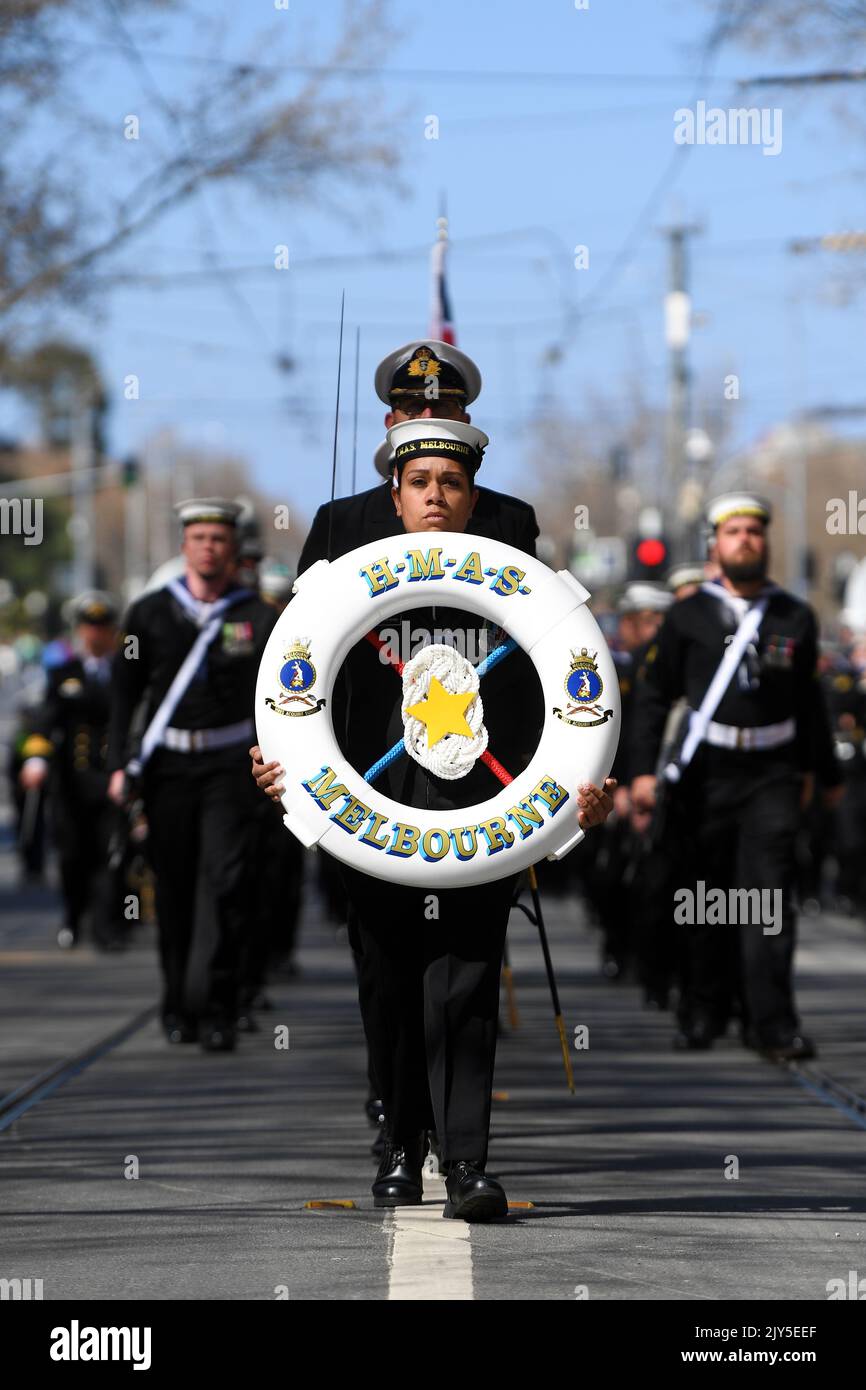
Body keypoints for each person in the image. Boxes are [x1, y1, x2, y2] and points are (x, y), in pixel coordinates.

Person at [252, 419, 616, 1220]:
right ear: (397, 494)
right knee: (388, 988)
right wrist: (282, 763)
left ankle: (468, 1165)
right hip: (373, 809)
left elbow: (549, 693)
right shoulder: (353, 574)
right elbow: (301, 675)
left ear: (472, 494)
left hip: (482, 809)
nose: (436, 497)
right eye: (421, 483)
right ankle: (399, 1149)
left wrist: (573, 787)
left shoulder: (512, 578)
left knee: (467, 987)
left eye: (451, 483)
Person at [629, 493, 842, 1060]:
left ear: (766, 541)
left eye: (755, 530)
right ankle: (703, 1010)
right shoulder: (689, 614)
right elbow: (653, 698)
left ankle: (771, 1021)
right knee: (704, 897)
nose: (746, 539)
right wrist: (642, 775)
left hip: (771, 773)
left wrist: (825, 773)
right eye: (734, 531)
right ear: (715, 546)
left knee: (766, 899)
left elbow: (810, 704)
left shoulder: (793, 615)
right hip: (706, 774)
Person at [107, 499, 277, 1050]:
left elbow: (282, 696)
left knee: (226, 885)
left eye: (219, 538)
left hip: (230, 768)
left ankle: (220, 1007)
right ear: (184, 545)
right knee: (175, 888)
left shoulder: (257, 616)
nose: (209, 546)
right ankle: (178, 1002)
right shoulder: (151, 613)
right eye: (199, 536)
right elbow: (124, 695)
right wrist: (118, 765)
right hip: (170, 768)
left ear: (233, 549)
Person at [298, 340, 539, 571]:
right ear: (390, 423)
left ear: (465, 422)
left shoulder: (511, 521)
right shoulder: (340, 522)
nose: (427, 417)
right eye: (413, 407)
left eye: (443, 406)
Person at [18, 591, 127, 950]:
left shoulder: (125, 672)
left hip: (113, 777)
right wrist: (36, 760)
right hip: (72, 781)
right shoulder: (64, 674)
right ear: (81, 630)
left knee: (110, 853)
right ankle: (72, 916)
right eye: (90, 626)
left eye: (103, 626)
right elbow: (46, 721)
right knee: (71, 855)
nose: (96, 634)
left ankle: (106, 926)